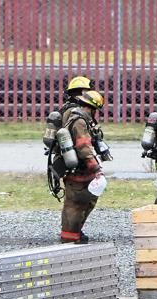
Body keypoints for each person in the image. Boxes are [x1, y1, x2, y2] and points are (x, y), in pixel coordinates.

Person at [57, 90, 106, 243]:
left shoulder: (79, 119)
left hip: (80, 170)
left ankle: (74, 235)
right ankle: (69, 240)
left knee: (85, 201)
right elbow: (83, 147)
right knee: (75, 205)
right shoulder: (79, 121)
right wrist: (96, 168)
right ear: (91, 108)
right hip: (77, 171)